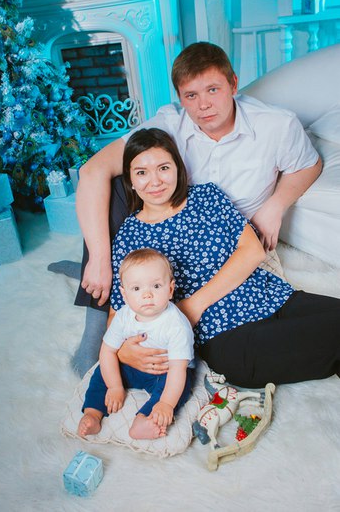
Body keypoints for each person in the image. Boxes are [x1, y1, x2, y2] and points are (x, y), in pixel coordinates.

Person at [66, 42, 322, 375]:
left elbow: (309, 164)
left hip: (226, 230)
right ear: (179, 97)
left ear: (233, 83)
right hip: (168, 220)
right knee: (116, 184)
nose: (203, 105)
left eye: (213, 90)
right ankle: (100, 319)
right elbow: (92, 170)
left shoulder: (277, 125)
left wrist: (276, 205)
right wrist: (101, 259)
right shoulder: (170, 123)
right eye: (191, 95)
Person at [109, 127, 339, 388]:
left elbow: (253, 251)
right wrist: (121, 350)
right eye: (141, 172)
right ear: (130, 179)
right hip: (226, 334)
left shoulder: (206, 197)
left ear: (178, 168)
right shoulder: (129, 235)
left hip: (273, 298)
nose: (155, 181)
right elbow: (118, 310)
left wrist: (193, 305)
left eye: (163, 168)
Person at [77, 248, 194, 440]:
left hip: (163, 371)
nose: (147, 295)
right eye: (137, 289)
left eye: (156, 286)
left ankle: (144, 420)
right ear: (124, 294)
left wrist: (166, 403)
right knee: (102, 371)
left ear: (170, 289)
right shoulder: (124, 315)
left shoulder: (177, 325)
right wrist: (115, 386)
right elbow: (107, 351)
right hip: (131, 367)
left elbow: (177, 369)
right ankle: (93, 413)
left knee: (179, 388)